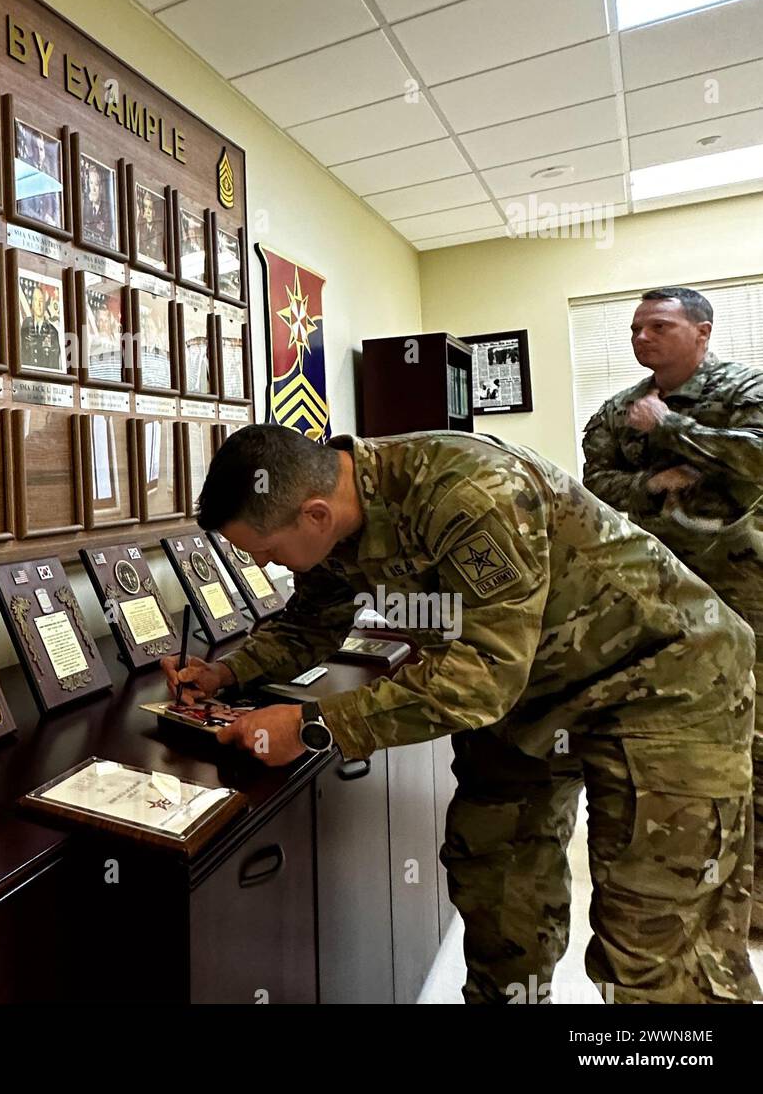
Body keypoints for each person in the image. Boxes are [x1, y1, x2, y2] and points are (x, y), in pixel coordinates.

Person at [165, 422, 759, 1005]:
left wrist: (313, 726)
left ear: (314, 514)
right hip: (530, 697)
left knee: (654, 948)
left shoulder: (467, 493)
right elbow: (310, 622)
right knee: (496, 888)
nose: (267, 567)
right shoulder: (333, 520)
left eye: (266, 552)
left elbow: (484, 679)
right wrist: (227, 672)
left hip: (662, 683)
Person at [582, 284, 763, 931]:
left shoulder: (746, 391)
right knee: (664, 734)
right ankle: (683, 878)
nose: (641, 339)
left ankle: (754, 894)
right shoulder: (616, 411)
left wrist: (674, 430)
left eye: (657, 326)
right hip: (652, 597)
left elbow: (757, 465)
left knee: (752, 736)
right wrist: (653, 481)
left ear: (703, 331)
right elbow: (596, 492)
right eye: (634, 329)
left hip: (740, 593)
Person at [20, 279, 61, 371]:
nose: (38, 304)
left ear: (45, 304)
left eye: (41, 301)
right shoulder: (25, 326)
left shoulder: (53, 332)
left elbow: (54, 366)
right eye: (35, 300)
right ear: (32, 304)